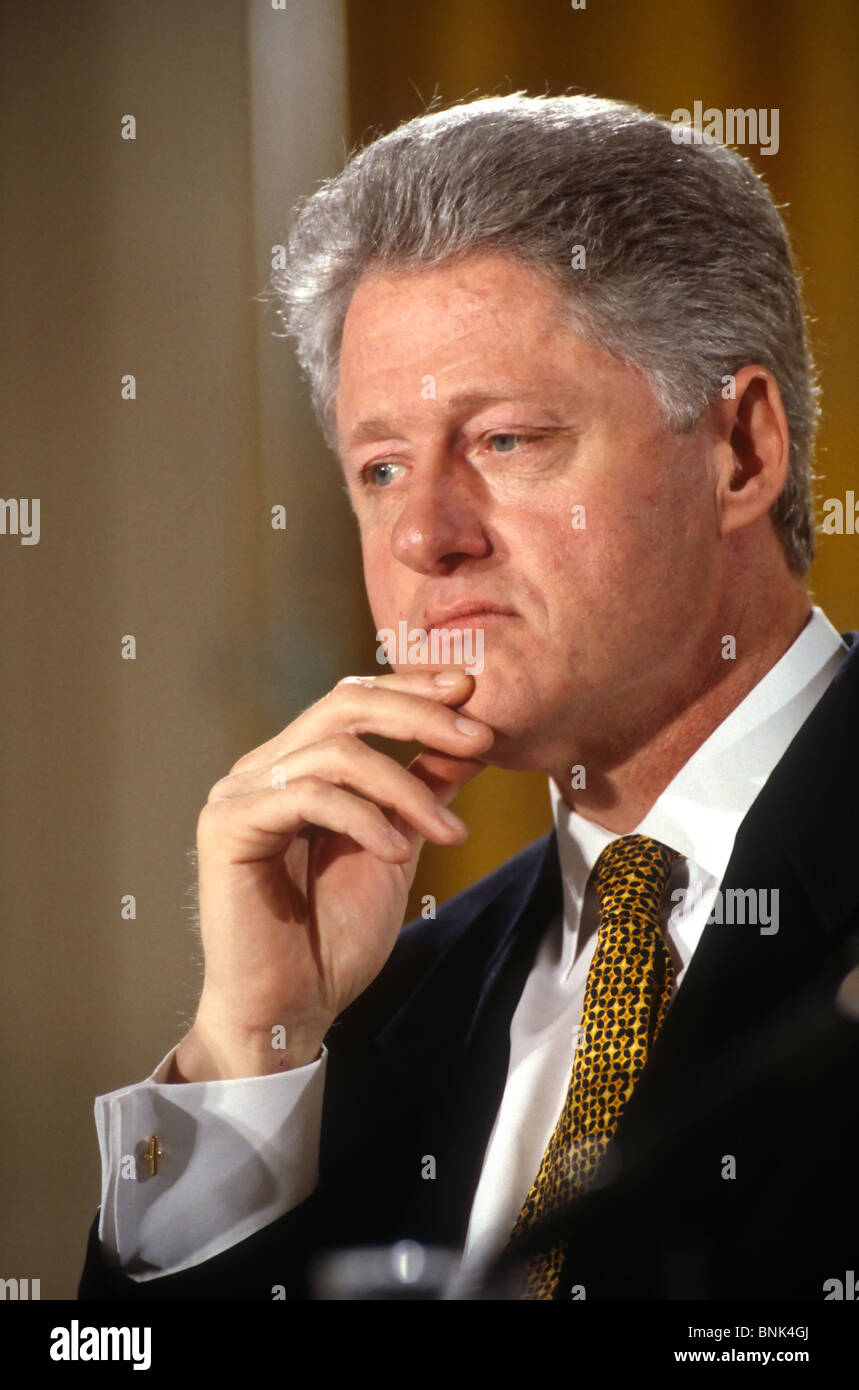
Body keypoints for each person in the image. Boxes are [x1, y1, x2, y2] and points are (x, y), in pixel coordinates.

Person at [79, 93, 859, 1302]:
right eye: (380, 468)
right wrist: (250, 1054)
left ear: (740, 451)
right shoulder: (374, 1014)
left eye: (502, 441)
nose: (424, 536)